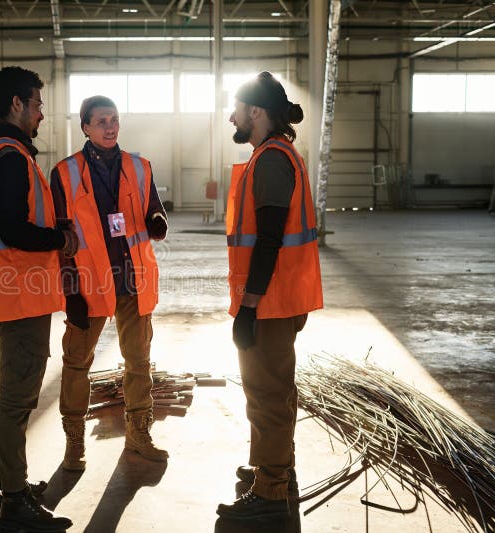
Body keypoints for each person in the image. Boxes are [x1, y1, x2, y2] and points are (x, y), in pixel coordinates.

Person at [0, 66, 77, 532]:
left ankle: (2, 481)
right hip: (21, 293)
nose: (41, 113)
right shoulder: (9, 157)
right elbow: (13, 228)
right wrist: (59, 239)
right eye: (37, 103)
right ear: (16, 105)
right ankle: (14, 498)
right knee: (15, 400)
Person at [216, 72, 323, 521]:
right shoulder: (271, 155)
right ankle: (276, 472)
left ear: (256, 112)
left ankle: (271, 493)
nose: (232, 116)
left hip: (270, 302)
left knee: (266, 393)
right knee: (274, 390)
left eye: (237, 108)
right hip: (276, 299)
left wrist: (249, 306)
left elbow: (269, 240)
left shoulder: (273, 160)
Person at [50, 95, 169, 472]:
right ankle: (73, 442)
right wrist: (71, 295)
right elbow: (61, 238)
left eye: (114, 119)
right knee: (76, 363)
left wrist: (157, 221)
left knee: (138, 362)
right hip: (88, 286)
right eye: (101, 120)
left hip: (133, 280)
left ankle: (138, 433)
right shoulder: (65, 173)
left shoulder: (139, 166)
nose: (110, 126)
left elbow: (153, 208)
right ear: (85, 126)